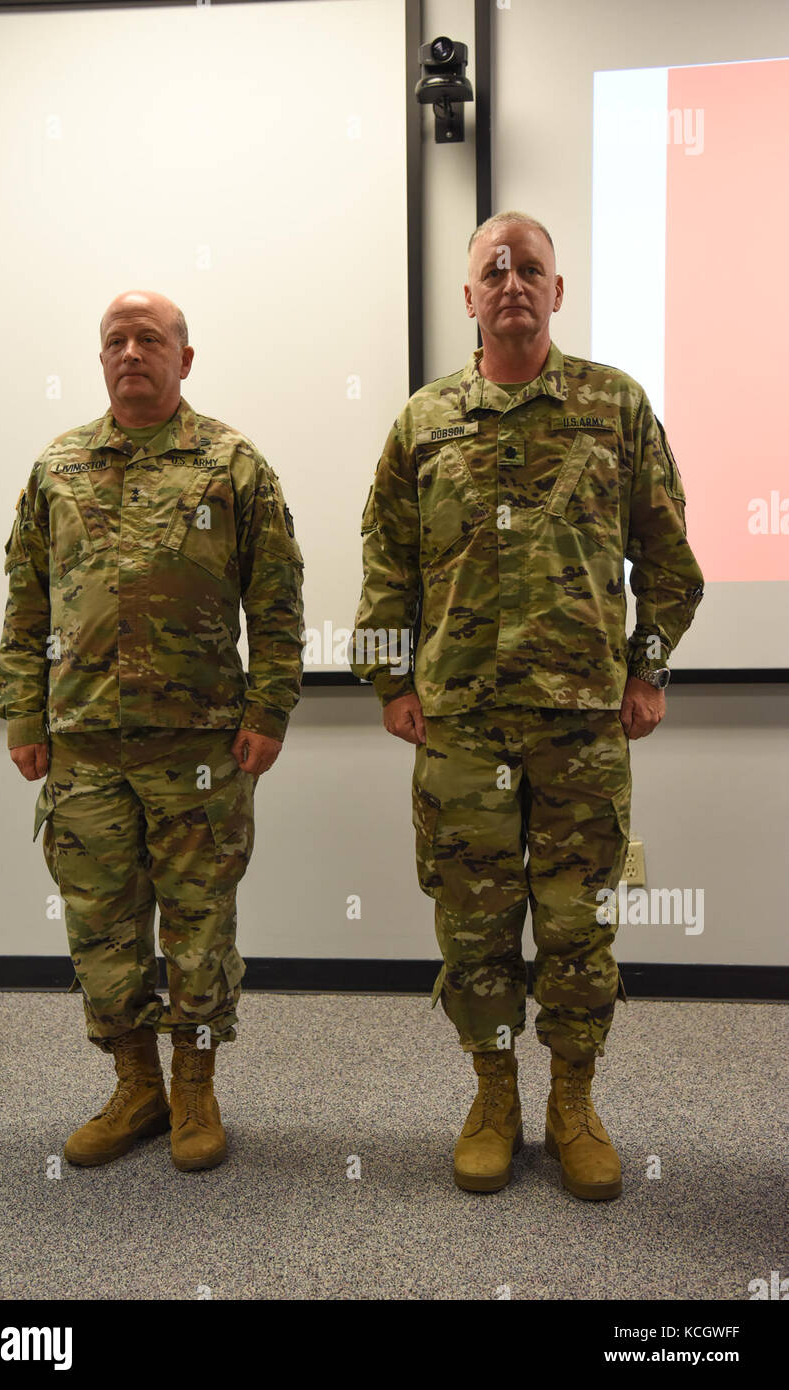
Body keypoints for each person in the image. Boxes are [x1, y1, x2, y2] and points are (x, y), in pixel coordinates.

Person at [351, 212, 704, 1199]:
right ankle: (494, 1096)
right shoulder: (421, 424)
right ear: (467, 297)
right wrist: (388, 679)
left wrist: (647, 670)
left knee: (578, 925)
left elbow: (671, 565)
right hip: (460, 722)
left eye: (531, 270)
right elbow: (383, 561)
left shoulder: (615, 407)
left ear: (557, 292)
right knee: (473, 925)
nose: (512, 283)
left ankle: (573, 1102)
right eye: (492, 270)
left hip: (580, 725)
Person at [0, 291, 304, 1171]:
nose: (133, 352)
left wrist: (269, 708)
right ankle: (137, 1086)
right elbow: (26, 604)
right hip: (83, 744)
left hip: (200, 748)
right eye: (116, 341)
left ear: (185, 358)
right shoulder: (57, 469)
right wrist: (23, 710)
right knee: (99, 925)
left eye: (151, 339)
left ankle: (196, 1087)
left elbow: (277, 603)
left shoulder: (234, 466)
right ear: (101, 360)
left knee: (198, 923)